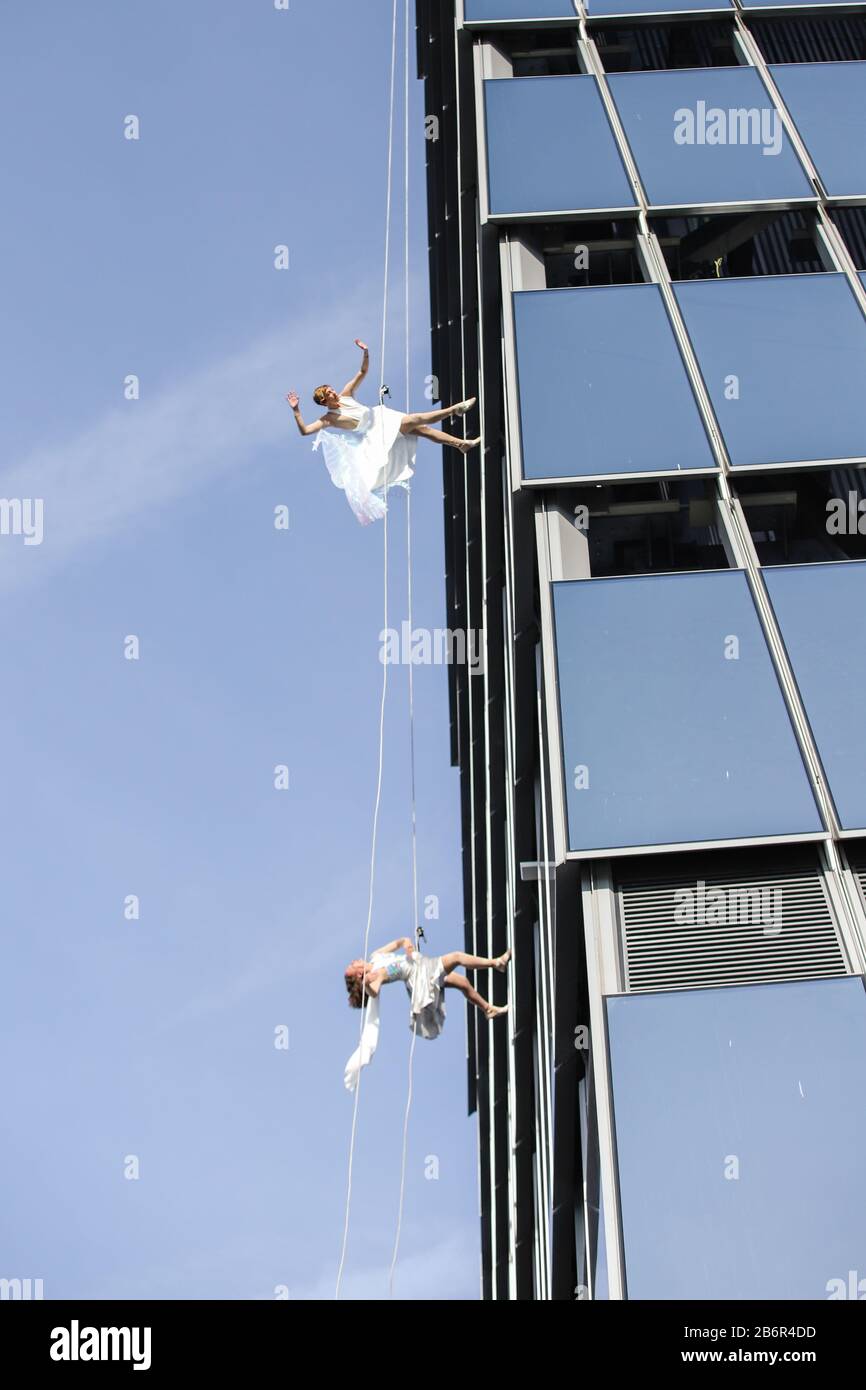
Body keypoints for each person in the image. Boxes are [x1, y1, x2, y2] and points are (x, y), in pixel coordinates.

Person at [287, 339, 481, 525]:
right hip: (376, 435)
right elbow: (305, 431)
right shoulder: (329, 418)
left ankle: (462, 444)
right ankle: (454, 410)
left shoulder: (346, 394)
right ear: (324, 401)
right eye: (328, 393)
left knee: (423, 430)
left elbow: (362, 371)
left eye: (331, 389)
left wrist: (365, 352)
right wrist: (296, 410)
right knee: (415, 420)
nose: (333, 392)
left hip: (381, 418)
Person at [343, 937, 510, 1091]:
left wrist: (408, 946)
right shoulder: (376, 975)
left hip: (421, 965)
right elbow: (374, 992)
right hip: (418, 979)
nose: (354, 960)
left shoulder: (376, 956)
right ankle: (497, 963)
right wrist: (367, 985)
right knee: (457, 957)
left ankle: (487, 1009)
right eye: (352, 965)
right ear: (359, 973)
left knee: (463, 982)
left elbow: (400, 941)